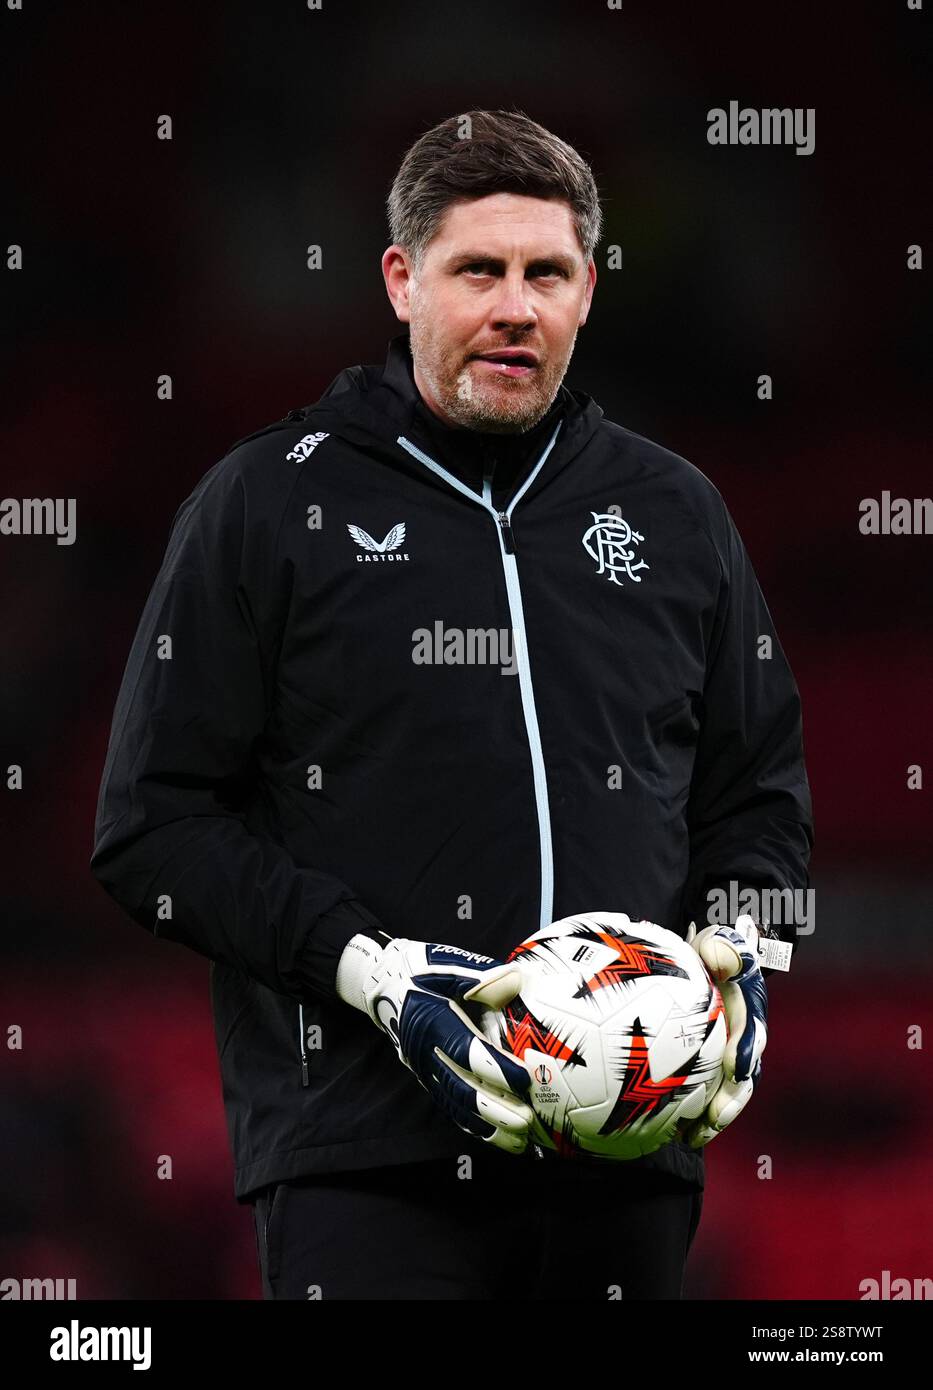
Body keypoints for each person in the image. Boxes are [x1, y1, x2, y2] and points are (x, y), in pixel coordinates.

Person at [90, 108, 813, 1300]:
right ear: (400, 280)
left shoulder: (677, 512)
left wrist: (745, 952)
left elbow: (762, 800)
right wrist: (370, 970)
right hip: (364, 1159)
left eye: (549, 272)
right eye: (479, 269)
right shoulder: (267, 505)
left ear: (588, 291)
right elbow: (150, 828)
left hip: (627, 1153)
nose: (515, 307)